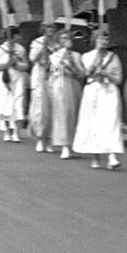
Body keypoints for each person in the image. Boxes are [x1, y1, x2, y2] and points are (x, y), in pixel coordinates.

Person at [74, 27, 125, 170]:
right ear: (95, 40)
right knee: (94, 123)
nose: (104, 41)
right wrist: (96, 62)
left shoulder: (114, 58)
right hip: (93, 91)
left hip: (109, 92)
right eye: (101, 38)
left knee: (111, 122)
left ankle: (112, 156)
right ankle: (95, 156)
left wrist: (107, 74)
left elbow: (119, 79)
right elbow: (85, 73)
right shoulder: (87, 56)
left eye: (107, 39)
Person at [47, 28, 83, 158]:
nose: (67, 40)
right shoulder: (54, 55)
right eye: (63, 38)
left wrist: (72, 64)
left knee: (72, 113)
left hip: (73, 84)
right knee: (61, 113)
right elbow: (53, 70)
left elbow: (81, 73)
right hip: (60, 84)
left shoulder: (77, 55)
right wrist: (63, 56)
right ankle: (64, 145)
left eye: (68, 38)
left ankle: (72, 142)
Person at [0, 27, 29, 141]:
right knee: (5, 103)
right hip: (5, 77)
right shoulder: (1, 49)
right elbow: (0, 66)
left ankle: (16, 132)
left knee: (18, 103)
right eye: (18, 35)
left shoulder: (21, 49)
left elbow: (26, 65)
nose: (20, 37)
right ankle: (7, 130)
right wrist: (9, 62)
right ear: (13, 36)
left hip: (18, 77)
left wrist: (17, 62)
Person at [29, 23, 57, 151]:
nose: (50, 32)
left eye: (52, 29)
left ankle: (50, 138)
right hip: (39, 75)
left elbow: (58, 63)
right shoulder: (36, 42)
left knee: (53, 107)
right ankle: (40, 138)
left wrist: (51, 69)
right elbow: (32, 58)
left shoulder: (57, 44)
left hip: (52, 75)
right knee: (40, 108)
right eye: (47, 29)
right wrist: (43, 47)